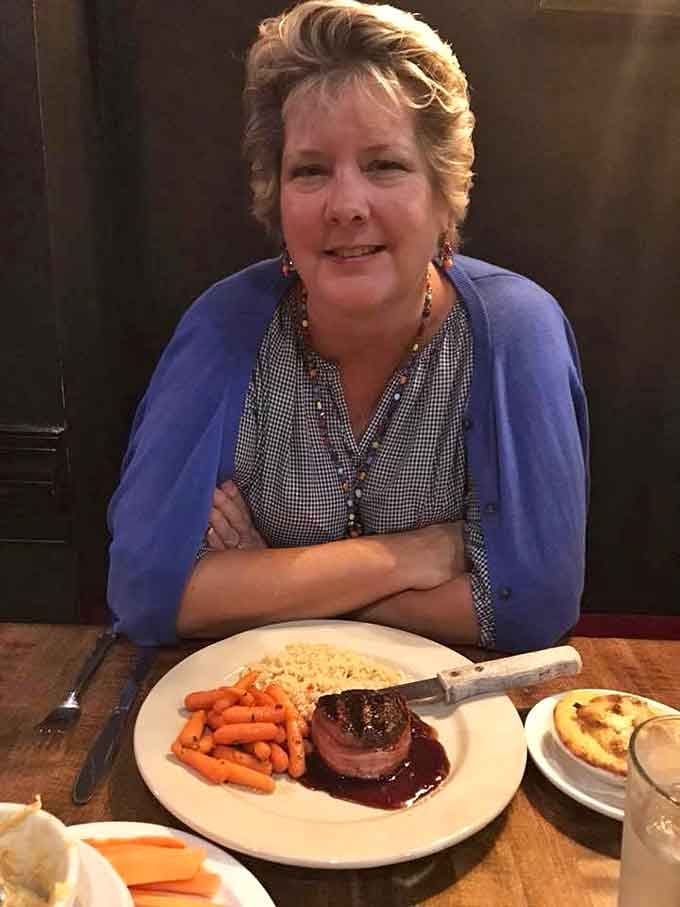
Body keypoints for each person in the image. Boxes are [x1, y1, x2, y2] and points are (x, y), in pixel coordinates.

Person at [107, 0, 589, 652]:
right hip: (257, 720)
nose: (346, 205)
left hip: (458, 727)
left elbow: (531, 607)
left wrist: (262, 580)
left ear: (444, 193)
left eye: (384, 164)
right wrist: (411, 556)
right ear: (274, 197)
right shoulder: (224, 327)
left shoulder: (515, 333)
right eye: (309, 170)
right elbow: (145, 592)